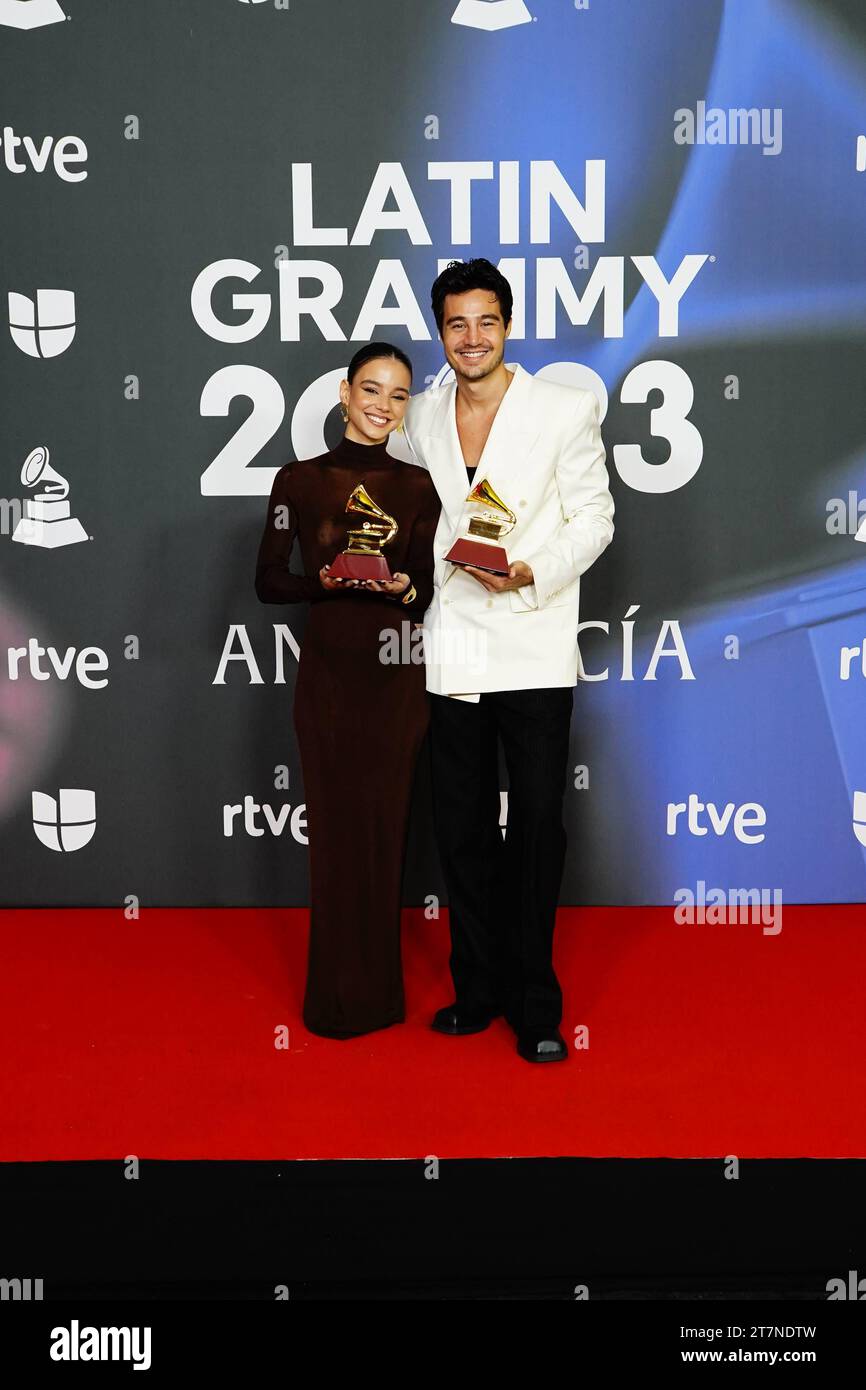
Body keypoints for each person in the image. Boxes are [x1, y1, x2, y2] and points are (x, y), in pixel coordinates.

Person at [402, 259, 615, 1064]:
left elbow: (595, 518)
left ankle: (535, 1003)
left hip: (532, 639)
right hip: (453, 645)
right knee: (458, 828)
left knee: (532, 827)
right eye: (456, 324)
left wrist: (530, 569)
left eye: (486, 322)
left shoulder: (562, 409)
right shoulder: (421, 415)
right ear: (440, 332)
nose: (472, 338)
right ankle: (477, 987)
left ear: (508, 325)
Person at [255, 343, 440, 1039]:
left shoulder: (421, 490)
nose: (383, 406)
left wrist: (404, 587)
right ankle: (333, 1000)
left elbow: (424, 587)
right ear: (343, 392)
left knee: (384, 834)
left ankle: (381, 996)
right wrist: (322, 583)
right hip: (329, 683)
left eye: (398, 395)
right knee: (334, 839)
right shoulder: (298, 482)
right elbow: (268, 581)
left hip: (398, 683)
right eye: (372, 389)